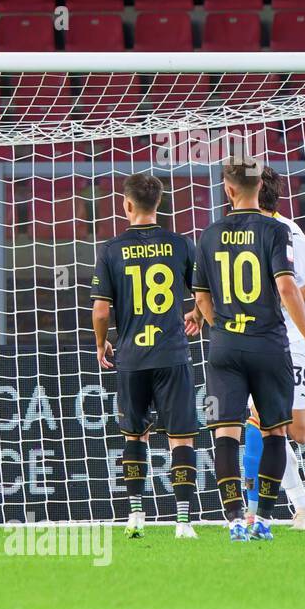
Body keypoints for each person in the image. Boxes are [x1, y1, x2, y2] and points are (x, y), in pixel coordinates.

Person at [189, 157, 305, 541]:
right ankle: (286, 510)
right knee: (269, 427)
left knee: (287, 429)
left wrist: (222, 325)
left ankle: (243, 513)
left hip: (261, 344)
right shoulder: (272, 231)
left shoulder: (220, 233)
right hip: (270, 342)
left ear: (228, 189)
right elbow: (286, 287)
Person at [90, 173, 202, 539]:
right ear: (159, 204)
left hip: (132, 356)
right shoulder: (180, 244)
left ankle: (136, 515)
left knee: (134, 436)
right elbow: (203, 294)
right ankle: (183, 522)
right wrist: (197, 316)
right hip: (172, 354)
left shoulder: (110, 250)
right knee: (181, 438)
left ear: (126, 205)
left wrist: (102, 342)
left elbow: (102, 311)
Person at [238, 167, 305, 531]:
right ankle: (303, 508)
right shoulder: (242, 233)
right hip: (260, 341)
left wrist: (277, 302)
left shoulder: (287, 230)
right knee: (264, 425)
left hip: (296, 343)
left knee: (295, 430)